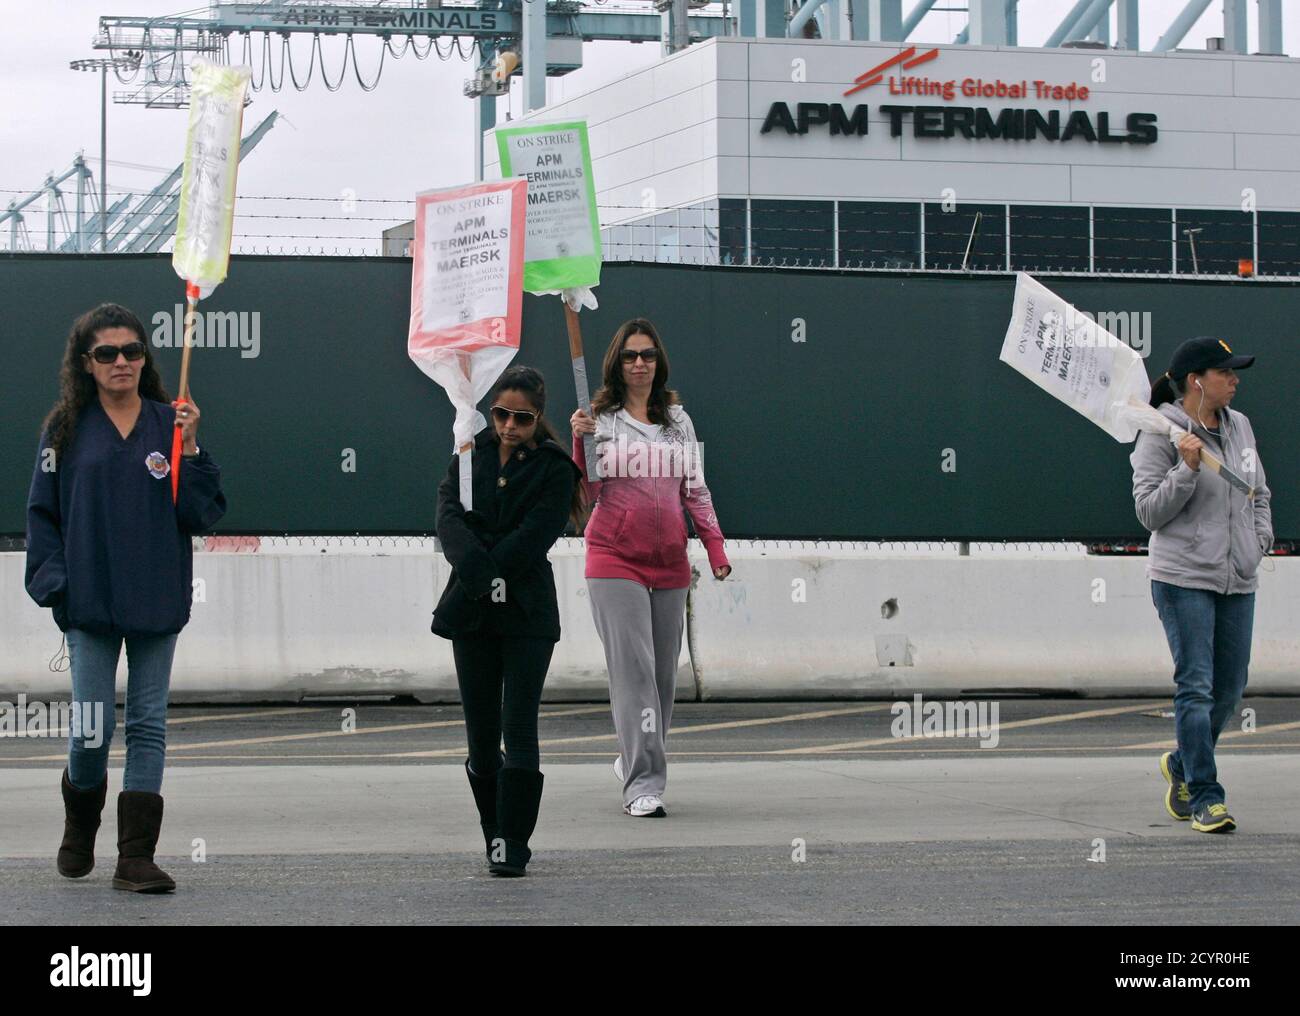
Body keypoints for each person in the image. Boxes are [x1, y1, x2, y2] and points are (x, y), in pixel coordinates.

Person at [25, 303, 226, 892]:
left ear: (146, 358)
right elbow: (43, 517)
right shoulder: (63, 430)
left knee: (147, 723)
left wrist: (191, 448)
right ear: (86, 363)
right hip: (88, 604)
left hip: (156, 601)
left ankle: (135, 857)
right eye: (107, 353)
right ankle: (79, 824)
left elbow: (200, 513)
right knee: (90, 729)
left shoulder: (172, 423)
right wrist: (57, 588)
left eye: (132, 351)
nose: (121, 362)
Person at [570, 318, 730, 818]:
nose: (639, 363)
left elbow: (695, 489)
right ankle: (643, 783)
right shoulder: (600, 418)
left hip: (670, 563)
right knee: (635, 673)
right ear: (615, 364)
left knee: (662, 680)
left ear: (659, 363)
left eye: (648, 354)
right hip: (614, 560)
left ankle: (634, 754)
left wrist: (715, 547)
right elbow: (588, 492)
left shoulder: (679, 421)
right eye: (629, 355)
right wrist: (581, 442)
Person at [433, 366, 582, 877]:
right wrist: (477, 573)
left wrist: (491, 568)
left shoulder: (555, 467)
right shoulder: (467, 450)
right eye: (501, 414)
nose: (509, 425)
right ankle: (492, 831)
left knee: (518, 725)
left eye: (522, 417)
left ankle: (513, 842)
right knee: (480, 735)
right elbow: (448, 516)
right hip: (472, 608)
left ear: (538, 418)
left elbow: (536, 532)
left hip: (525, 612)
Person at [1132, 336, 1271, 834]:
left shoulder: (1242, 427)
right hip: (1183, 579)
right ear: (1197, 381)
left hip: (1238, 577)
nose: (1235, 380)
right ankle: (1206, 795)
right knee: (1195, 686)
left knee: (1229, 689)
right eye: (1226, 372)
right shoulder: (1159, 433)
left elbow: (1258, 491)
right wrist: (1186, 470)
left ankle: (1183, 760)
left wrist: (1259, 541)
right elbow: (1149, 512)